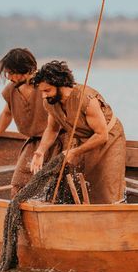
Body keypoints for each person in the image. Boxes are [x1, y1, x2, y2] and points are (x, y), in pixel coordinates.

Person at [30, 60, 126, 204]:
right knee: (79, 181)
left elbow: (102, 135)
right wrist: (40, 152)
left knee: (107, 187)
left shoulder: (86, 100)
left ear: (60, 85)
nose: (43, 96)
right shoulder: (50, 102)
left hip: (108, 139)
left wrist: (74, 152)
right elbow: (52, 128)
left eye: (47, 90)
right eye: (42, 91)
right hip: (82, 139)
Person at [0, 48, 59, 197]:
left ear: (25, 70)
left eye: (11, 73)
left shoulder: (46, 87)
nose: (9, 77)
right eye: (7, 73)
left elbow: (53, 126)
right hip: (34, 143)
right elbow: (6, 113)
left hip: (56, 140)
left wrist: (42, 152)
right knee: (19, 183)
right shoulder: (12, 89)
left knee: (53, 185)